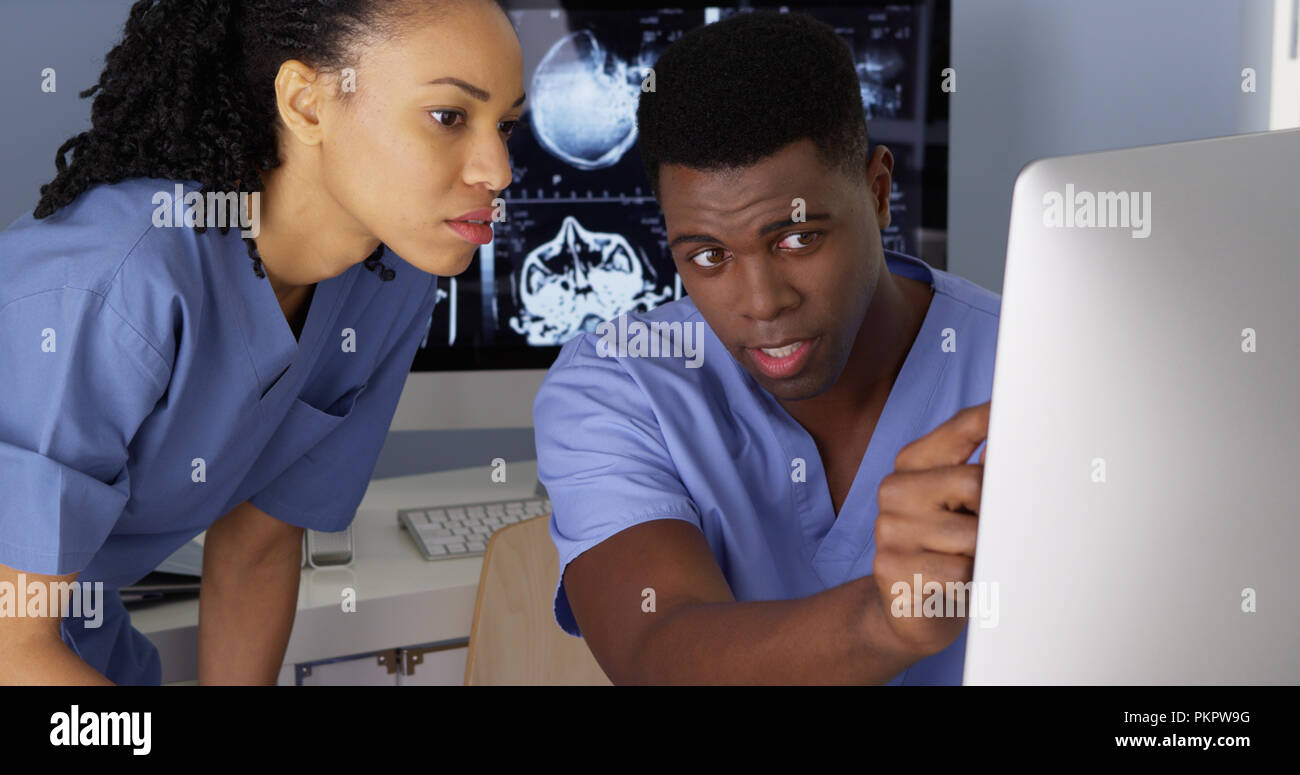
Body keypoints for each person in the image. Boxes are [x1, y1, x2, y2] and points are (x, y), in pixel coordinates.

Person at [0, 0, 524, 685]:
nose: (498, 169)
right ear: (306, 104)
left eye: (506, 125)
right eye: (449, 117)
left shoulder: (392, 281)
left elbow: (260, 543)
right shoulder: (113, 286)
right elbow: (12, 646)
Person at [533, 11, 999, 684]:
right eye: (710, 255)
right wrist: (884, 618)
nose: (762, 300)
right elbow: (656, 650)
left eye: (797, 238)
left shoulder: (1026, 364)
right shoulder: (618, 388)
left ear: (878, 192)